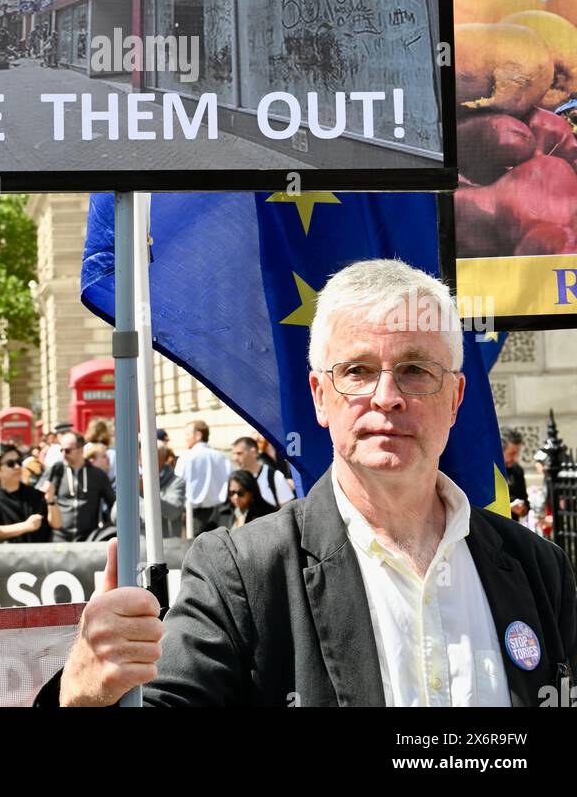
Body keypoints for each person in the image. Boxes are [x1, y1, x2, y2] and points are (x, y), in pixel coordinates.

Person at [44, 258, 577, 708]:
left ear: (457, 398)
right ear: (320, 397)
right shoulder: (243, 575)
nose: (387, 397)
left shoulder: (537, 567)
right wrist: (85, 690)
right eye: (358, 372)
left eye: (416, 370)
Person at [0, 445, 59, 543]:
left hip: (38, 556)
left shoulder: (34, 494)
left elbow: (56, 524)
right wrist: (25, 526)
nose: (17, 467)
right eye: (10, 464)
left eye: (19, 462)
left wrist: (51, 500)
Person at [48, 432, 115, 542]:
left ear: (80, 449)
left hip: (89, 538)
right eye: (62, 450)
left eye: (68, 450)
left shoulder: (97, 475)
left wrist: (108, 528)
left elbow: (113, 504)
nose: (64, 454)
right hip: (59, 538)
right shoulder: (56, 471)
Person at [174, 420, 229, 535]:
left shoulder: (186, 457)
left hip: (194, 517)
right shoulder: (222, 457)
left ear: (198, 435)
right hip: (220, 515)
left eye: (187, 434)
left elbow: (177, 486)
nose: (186, 438)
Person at [227, 436, 294, 508]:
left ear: (253, 452)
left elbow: (288, 511)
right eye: (233, 454)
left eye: (239, 453)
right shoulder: (234, 480)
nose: (235, 458)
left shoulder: (275, 477)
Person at [211, 470, 277, 532]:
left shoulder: (266, 514)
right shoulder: (220, 512)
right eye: (232, 492)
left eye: (240, 493)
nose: (235, 497)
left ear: (251, 492)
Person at [146, 443, 185, 540]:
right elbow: (115, 515)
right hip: (139, 544)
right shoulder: (134, 481)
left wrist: (145, 493)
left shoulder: (176, 482)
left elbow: (173, 512)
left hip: (167, 547)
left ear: (162, 458)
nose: (142, 458)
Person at [502, 429, 529, 521]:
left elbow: (525, 500)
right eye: (512, 454)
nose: (516, 458)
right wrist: (508, 507)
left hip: (513, 525)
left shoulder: (518, 470)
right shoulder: (488, 472)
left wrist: (522, 509)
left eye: (517, 454)